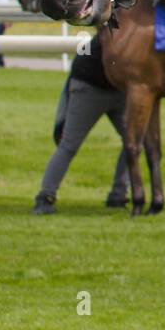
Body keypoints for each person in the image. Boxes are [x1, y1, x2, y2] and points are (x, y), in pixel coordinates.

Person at [33, 30, 130, 214]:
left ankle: (119, 193)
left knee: (133, 141)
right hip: (89, 86)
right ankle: (45, 196)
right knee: (69, 144)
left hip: (118, 88)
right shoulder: (116, 21)